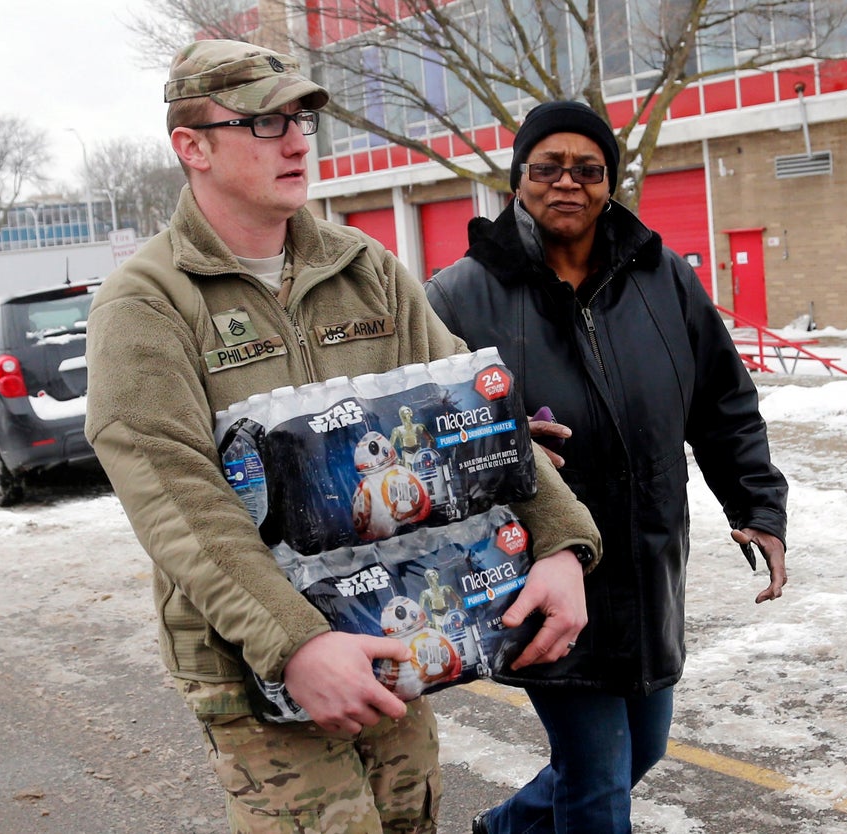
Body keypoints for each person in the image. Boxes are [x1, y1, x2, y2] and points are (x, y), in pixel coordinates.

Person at [84, 44, 601, 834]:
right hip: (258, 657)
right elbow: (173, 494)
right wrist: (295, 643)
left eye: (299, 119)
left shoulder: (366, 268)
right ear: (192, 147)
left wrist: (560, 542)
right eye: (262, 123)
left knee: (408, 820)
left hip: (394, 622)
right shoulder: (148, 301)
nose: (296, 141)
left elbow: (472, 412)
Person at [425, 100, 789, 834]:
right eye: (547, 167)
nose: (568, 183)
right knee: (597, 785)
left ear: (610, 183)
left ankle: (506, 829)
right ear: (517, 179)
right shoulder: (456, 296)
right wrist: (494, 444)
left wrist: (758, 507)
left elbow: (722, 401)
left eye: (588, 169)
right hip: (538, 573)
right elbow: (422, 440)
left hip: (649, 562)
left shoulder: (663, 279)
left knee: (637, 752)